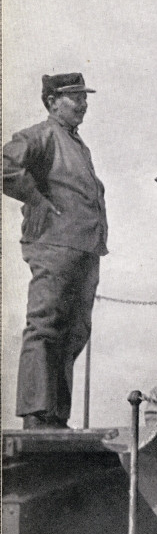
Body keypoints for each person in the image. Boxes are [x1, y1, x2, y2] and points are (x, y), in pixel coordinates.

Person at [3, 73, 107, 429]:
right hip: (53, 246)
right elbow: (5, 166)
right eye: (74, 97)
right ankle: (36, 413)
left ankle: (55, 415)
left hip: (82, 248)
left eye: (84, 97)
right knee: (46, 326)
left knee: (74, 331)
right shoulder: (41, 135)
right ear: (51, 102)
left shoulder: (77, 144)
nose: (83, 104)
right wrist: (36, 200)